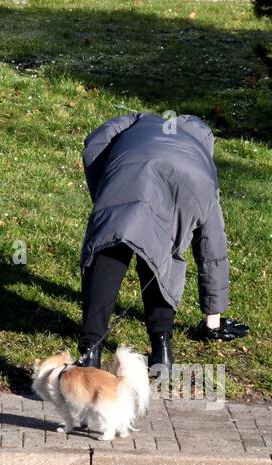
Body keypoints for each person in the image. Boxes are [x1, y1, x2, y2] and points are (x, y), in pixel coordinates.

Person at [76, 112, 249, 372]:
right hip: (189, 183)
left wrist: (104, 188)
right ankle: (162, 353)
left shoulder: (138, 121)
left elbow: (97, 142)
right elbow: (212, 251)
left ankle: (90, 352)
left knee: (109, 250)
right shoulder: (202, 165)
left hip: (128, 172)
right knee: (162, 259)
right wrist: (213, 320)